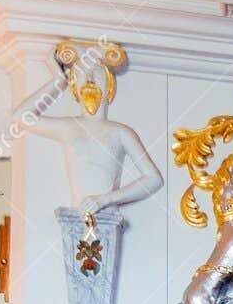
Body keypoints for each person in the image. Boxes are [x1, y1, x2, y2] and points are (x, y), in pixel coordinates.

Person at [10, 43, 163, 215]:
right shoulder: (68, 127)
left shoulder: (121, 132)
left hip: (108, 217)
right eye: (83, 75)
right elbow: (20, 117)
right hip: (74, 217)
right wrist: (58, 82)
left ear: (110, 87)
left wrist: (104, 199)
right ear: (75, 89)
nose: (89, 80)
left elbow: (153, 179)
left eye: (97, 74)